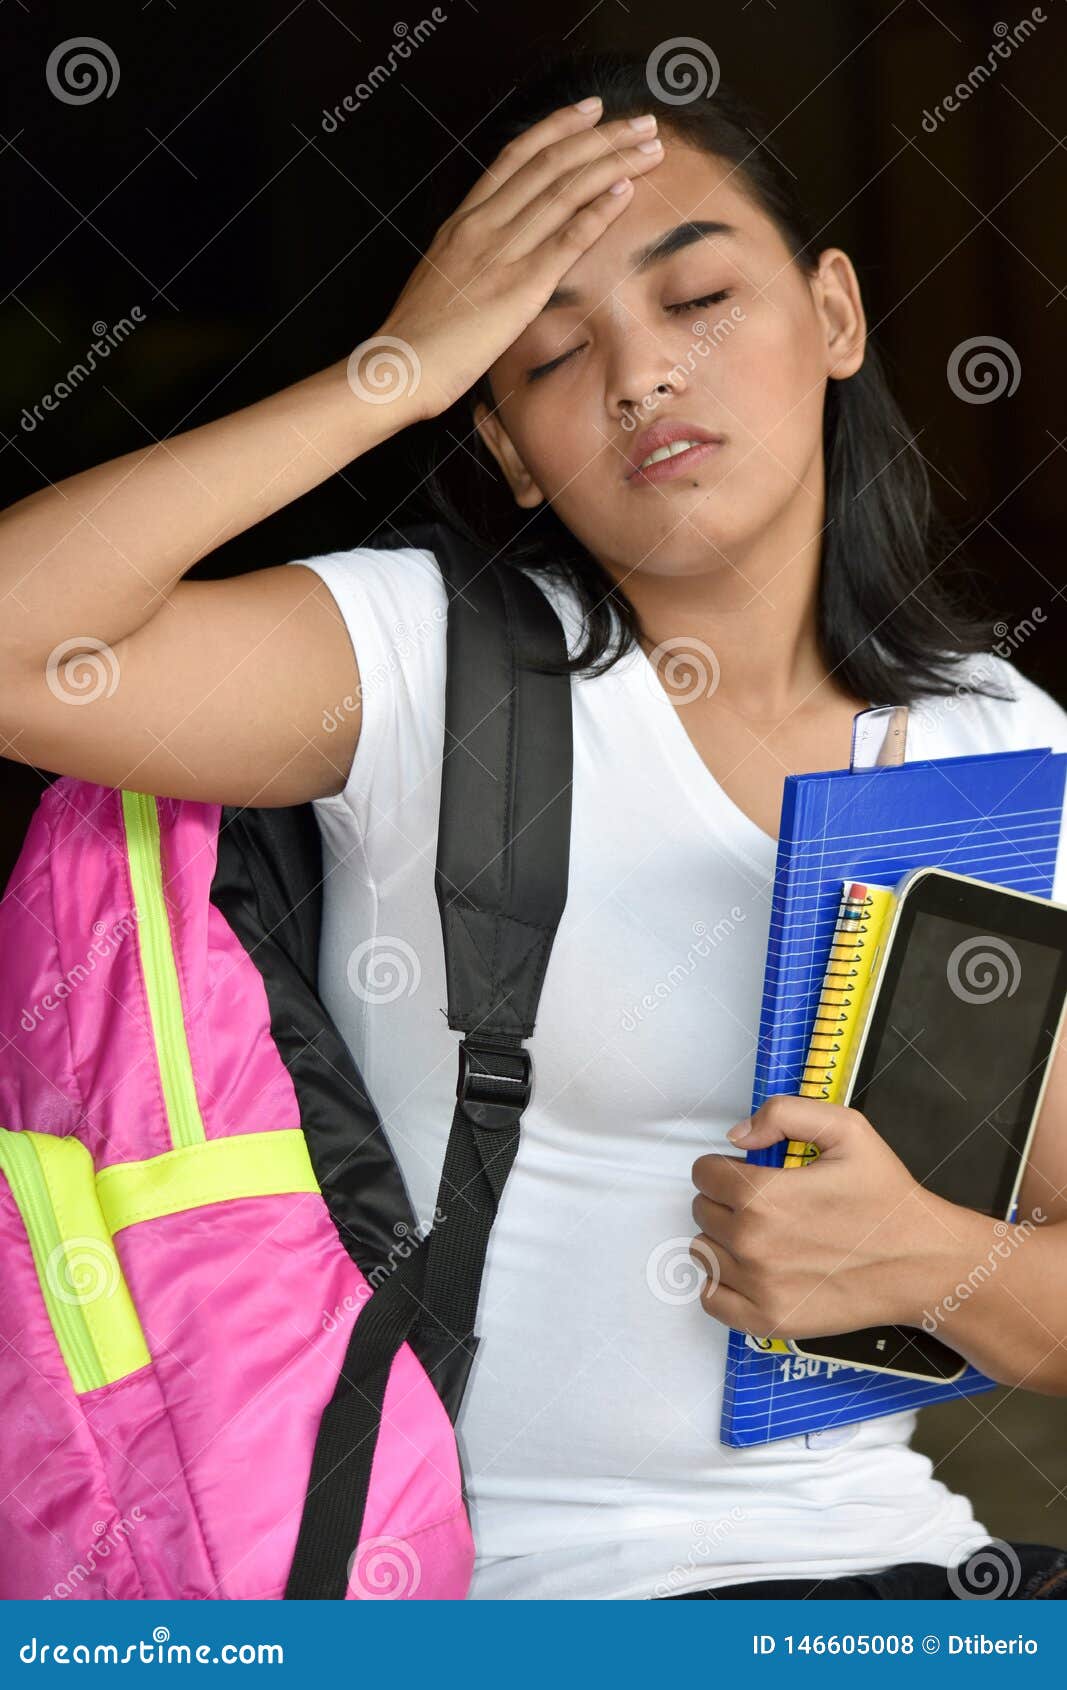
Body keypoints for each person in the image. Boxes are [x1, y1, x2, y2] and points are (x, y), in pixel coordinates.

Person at [1, 48, 1066, 1602]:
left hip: (891, 1573)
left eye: (697, 300)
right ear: (503, 443)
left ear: (833, 314)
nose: (639, 375)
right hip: (500, 1596)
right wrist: (399, 371)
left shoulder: (995, 738)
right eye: (551, 354)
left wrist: (931, 1263)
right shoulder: (432, 663)